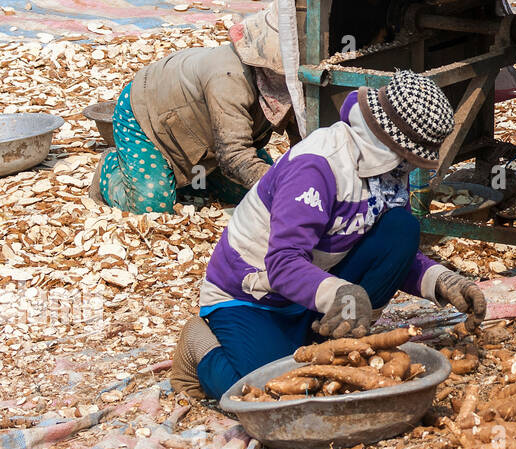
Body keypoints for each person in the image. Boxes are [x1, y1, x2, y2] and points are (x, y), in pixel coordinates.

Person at [170, 70, 488, 400]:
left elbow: (392, 250)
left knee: (401, 229)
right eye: (408, 160)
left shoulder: (387, 174)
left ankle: (340, 336)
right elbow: (282, 263)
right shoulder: (316, 167)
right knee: (270, 392)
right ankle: (199, 345)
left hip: (313, 286)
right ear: (388, 147)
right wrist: (341, 294)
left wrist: (442, 281)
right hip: (251, 297)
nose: (410, 169)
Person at [92, 5, 299, 214]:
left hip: (206, 137)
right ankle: (112, 169)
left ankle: (194, 182)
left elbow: (304, 139)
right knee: (153, 208)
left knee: (248, 196)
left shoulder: (284, 82)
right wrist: (286, 190)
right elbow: (234, 156)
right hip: (146, 117)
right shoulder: (229, 79)